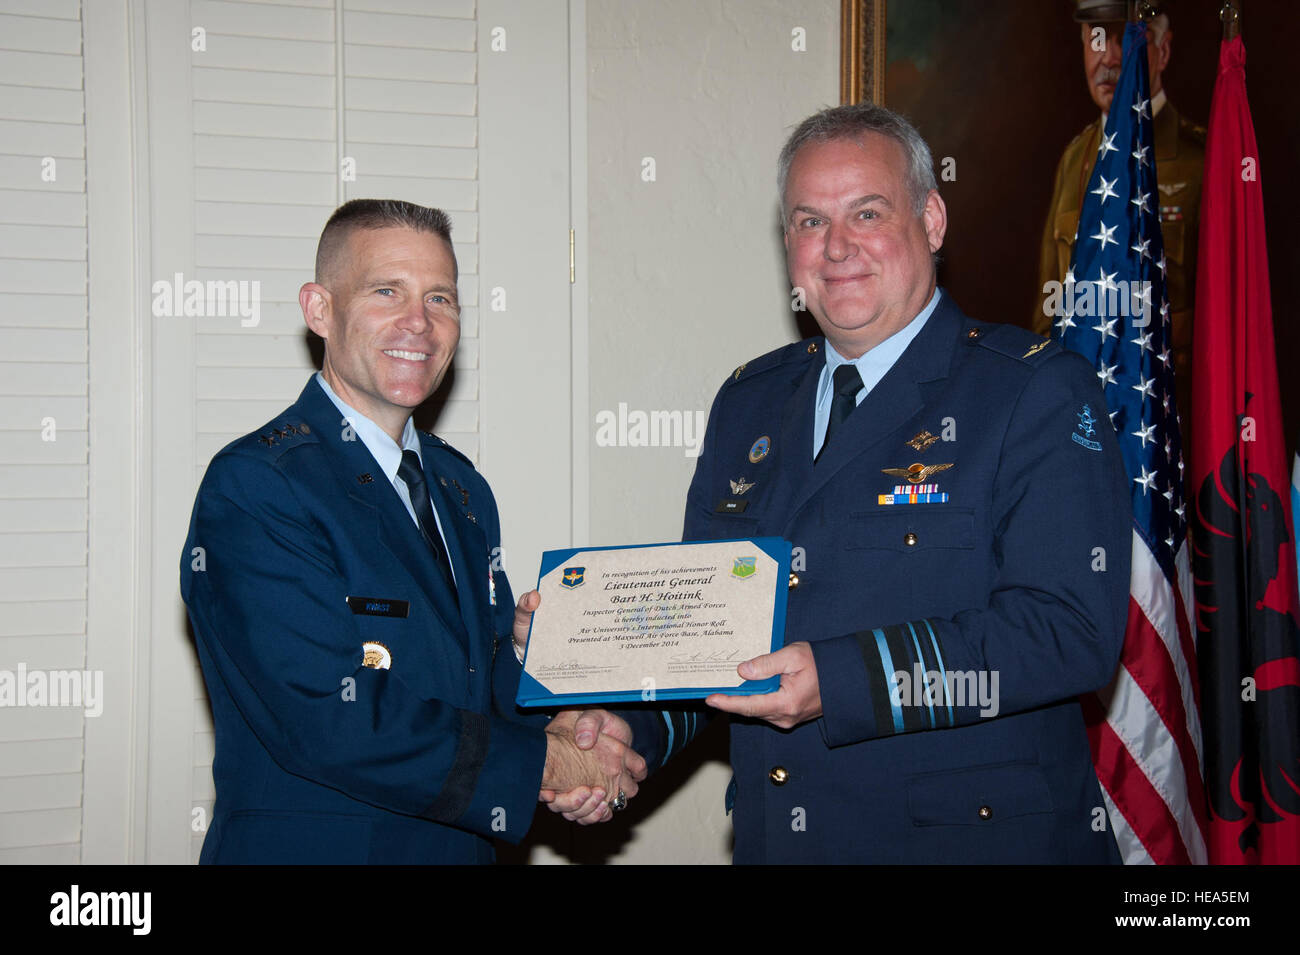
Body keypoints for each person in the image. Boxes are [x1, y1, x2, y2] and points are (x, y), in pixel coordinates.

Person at [613, 103, 1133, 863]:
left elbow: (1070, 633)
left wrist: (844, 679)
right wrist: (632, 731)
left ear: (931, 219)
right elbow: (713, 633)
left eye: (867, 212)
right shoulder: (749, 401)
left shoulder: (1034, 391)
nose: (837, 247)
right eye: (809, 221)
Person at [180, 199, 644, 864]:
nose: (418, 323)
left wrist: (557, 701)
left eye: (441, 298)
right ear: (319, 309)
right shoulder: (259, 485)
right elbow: (326, 717)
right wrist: (546, 765)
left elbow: (470, 686)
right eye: (386, 291)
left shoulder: (461, 489)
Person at [1034, 0, 1204, 420]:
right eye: (1095, 39)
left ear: (1162, 51)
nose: (1109, 57)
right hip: (1082, 410)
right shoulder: (1075, 158)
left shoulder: (1202, 160)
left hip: (1170, 413)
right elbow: (1047, 308)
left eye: (1124, 39)